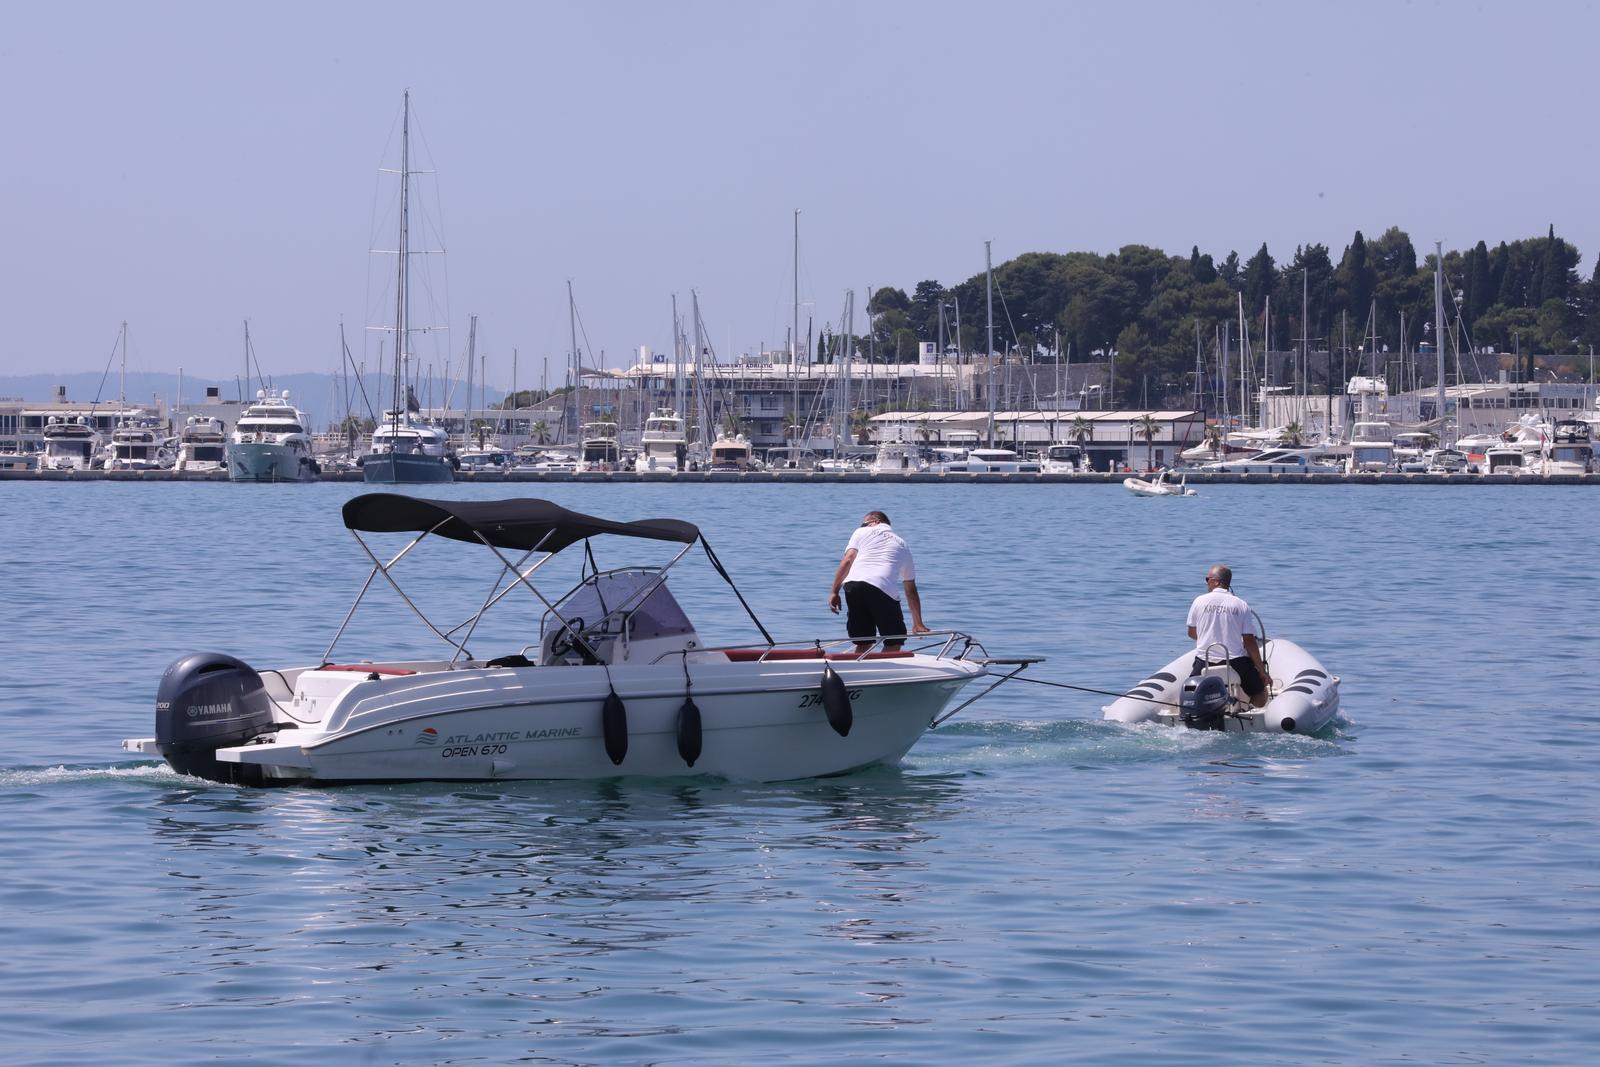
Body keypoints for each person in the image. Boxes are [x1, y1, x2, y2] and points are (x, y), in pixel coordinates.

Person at [828, 510, 929, 653]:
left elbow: (847, 560)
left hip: (852, 586)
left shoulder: (861, 532)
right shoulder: (903, 545)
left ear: (874, 521)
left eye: (863, 524)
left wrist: (834, 592)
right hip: (882, 587)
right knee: (894, 640)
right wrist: (917, 623)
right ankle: (882, 669)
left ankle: (857, 671)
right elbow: (910, 589)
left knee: (863, 641)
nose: (862, 526)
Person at [1186, 564, 1268, 708]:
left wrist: (1208, 636)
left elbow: (1192, 633)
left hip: (1204, 661)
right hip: (1236, 662)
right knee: (1261, 695)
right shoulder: (1241, 605)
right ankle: (1246, 712)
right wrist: (1262, 671)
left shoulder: (1199, 601)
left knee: (1190, 692)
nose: (1206, 583)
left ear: (1217, 582)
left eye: (1207, 579)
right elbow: (1249, 642)